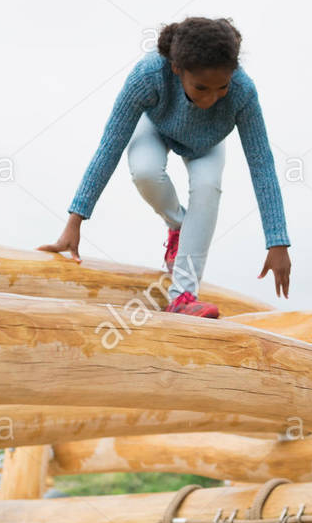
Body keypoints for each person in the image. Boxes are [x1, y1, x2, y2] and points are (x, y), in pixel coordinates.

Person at [40, 16, 291, 317]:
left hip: (207, 144)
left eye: (221, 87)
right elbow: (110, 146)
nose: (212, 98)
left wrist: (277, 242)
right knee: (145, 171)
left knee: (207, 188)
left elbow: (262, 164)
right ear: (176, 69)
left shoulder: (243, 92)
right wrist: (75, 220)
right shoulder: (149, 75)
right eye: (201, 88)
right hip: (157, 126)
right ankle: (179, 227)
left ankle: (183, 296)